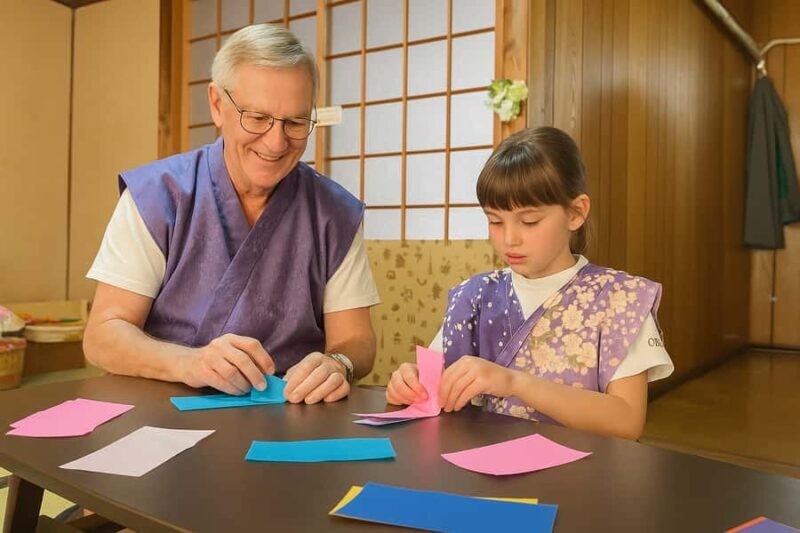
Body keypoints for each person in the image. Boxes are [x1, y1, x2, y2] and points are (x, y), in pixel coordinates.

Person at [83, 24, 380, 404]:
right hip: (161, 407)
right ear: (217, 105)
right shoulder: (157, 196)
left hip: (289, 417)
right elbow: (102, 336)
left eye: (295, 123)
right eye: (257, 118)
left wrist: (339, 363)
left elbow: (356, 339)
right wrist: (187, 363)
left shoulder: (334, 212)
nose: (275, 143)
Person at [386, 127, 673, 440]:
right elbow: (433, 388)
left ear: (576, 213)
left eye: (530, 221)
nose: (509, 239)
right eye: (495, 221)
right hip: (485, 469)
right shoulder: (474, 295)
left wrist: (514, 382)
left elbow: (627, 421)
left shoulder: (621, 298)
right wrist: (409, 383)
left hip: (585, 478)